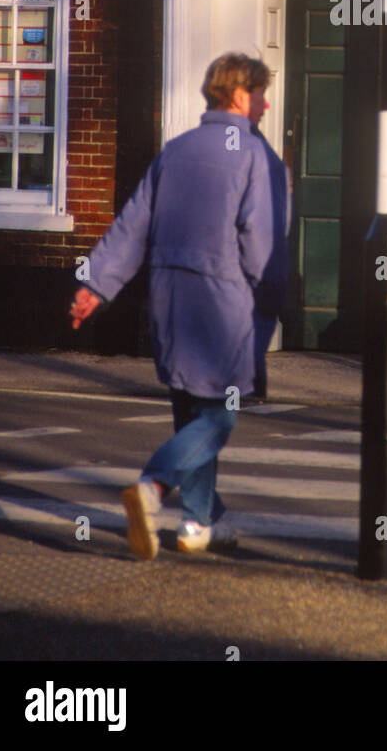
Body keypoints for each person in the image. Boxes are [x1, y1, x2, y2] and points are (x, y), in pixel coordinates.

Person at [69, 53, 276, 559]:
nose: (267, 104)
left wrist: (94, 284)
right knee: (220, 416)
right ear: (241, 95)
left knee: (191, 412)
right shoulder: (253, 154)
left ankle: (198, 525)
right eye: (262, 93)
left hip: (167, 297)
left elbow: (133, 223)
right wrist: (268, 307)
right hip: (222, 300)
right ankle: (153, 487)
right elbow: (263, 243)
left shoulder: (176, 150)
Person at [246, 83, 291, 401]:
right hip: (267, 260)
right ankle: (251, 388)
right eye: (262, 96)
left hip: (256, 262)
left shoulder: (250, 151)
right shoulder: (264, 155)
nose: (268, 106)